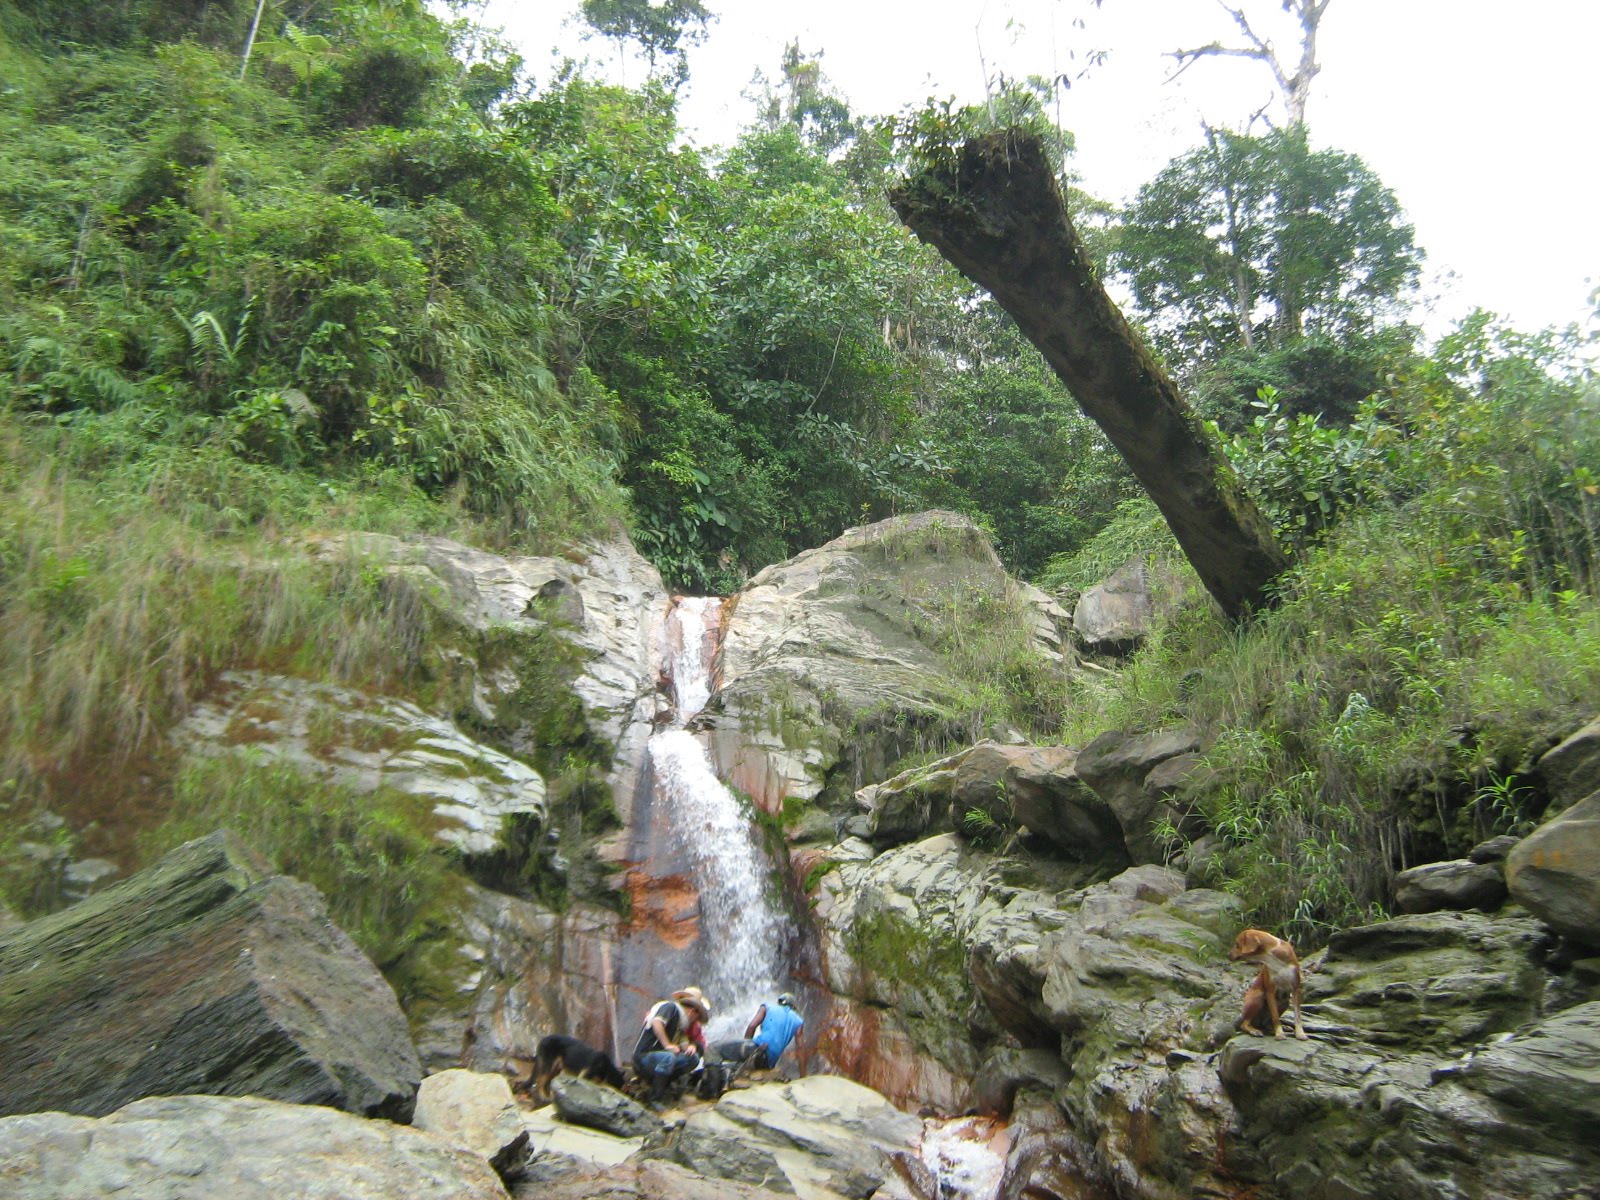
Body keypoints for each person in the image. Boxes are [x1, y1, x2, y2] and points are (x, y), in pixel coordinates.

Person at [632, 986, 711, 1102]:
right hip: (644, 1057)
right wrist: (667, 1044)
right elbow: (656, 1022)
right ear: (692, 1012)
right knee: (668, 1057)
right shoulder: (670, 1008)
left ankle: (664, 1083)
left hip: (660, 1059)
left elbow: (684, 1042)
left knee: (692, 1059)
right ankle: (655, 1097)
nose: (696, 1020)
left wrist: (690, 1047)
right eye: (697, 1016)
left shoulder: (682, 1024)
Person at [716, 992, 804, 1075]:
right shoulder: (798, 1021)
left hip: (757, 1050)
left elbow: (752, 1026)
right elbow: (800, 1048)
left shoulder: (767, 1007)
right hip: (768, 1063)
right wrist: (803, 1075)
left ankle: (712, 1087)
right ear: (793, 1007)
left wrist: (746, 1044)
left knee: (713, 1049)